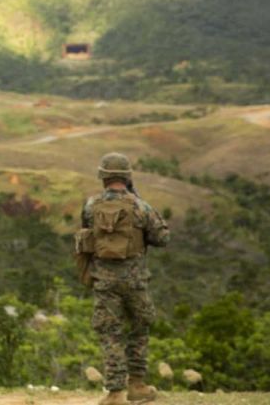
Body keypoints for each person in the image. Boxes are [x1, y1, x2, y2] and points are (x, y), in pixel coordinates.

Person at [80, 153, 170, 405]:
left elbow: (86, 234)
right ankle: (137, 386)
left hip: (105, 281)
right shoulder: (140, 206)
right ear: (127, 176)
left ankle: (115, 393)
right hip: (135, 281)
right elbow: (162, 238)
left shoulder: (91, 206)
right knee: (139, 329)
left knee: (110, 334)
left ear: (103, 177)